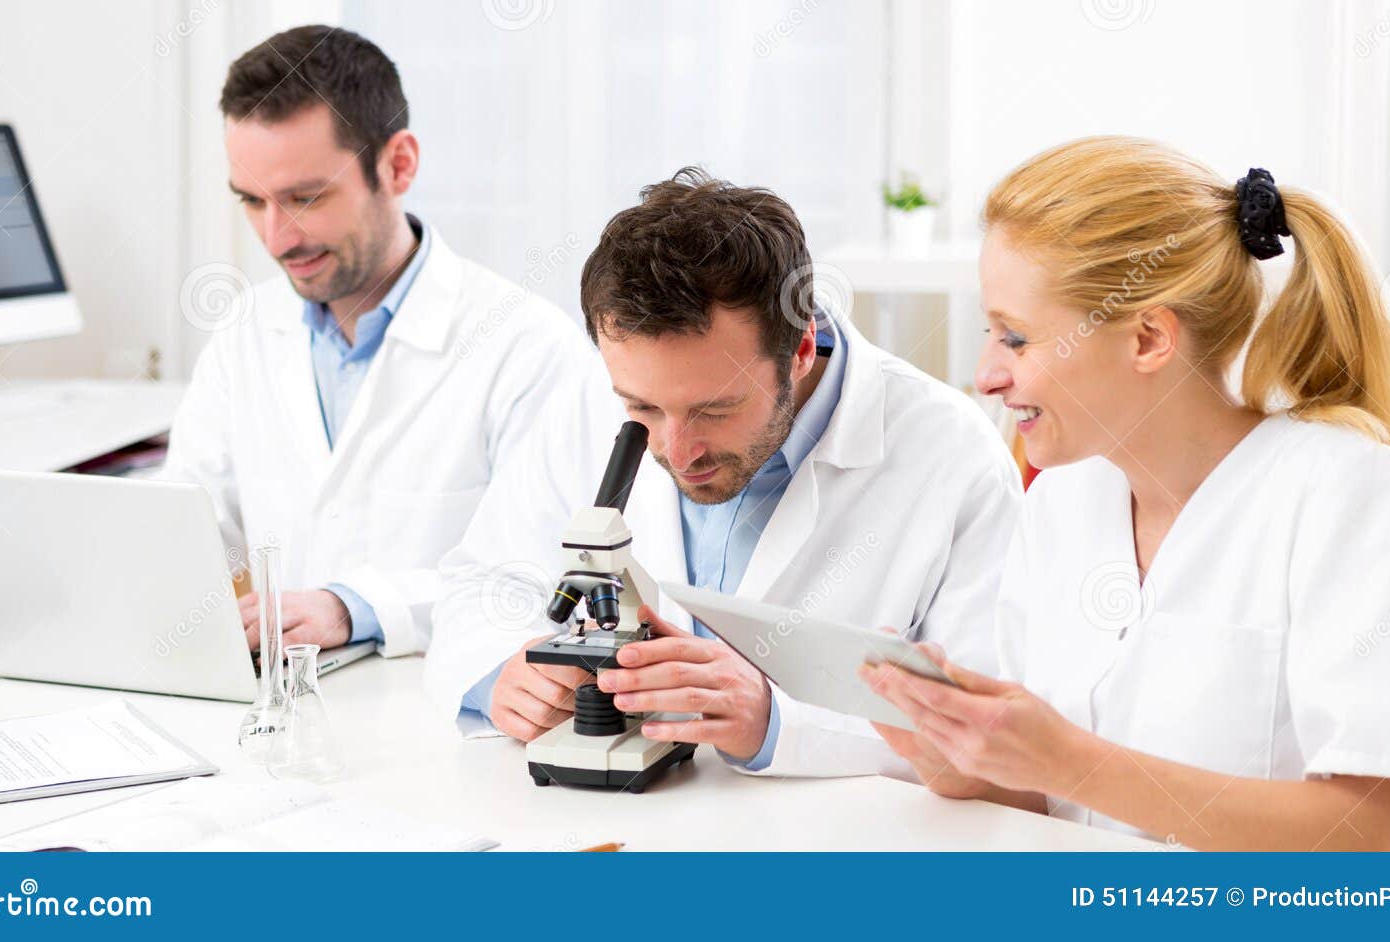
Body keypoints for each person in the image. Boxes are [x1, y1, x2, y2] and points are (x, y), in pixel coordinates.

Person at [861, 136, 1390, 849]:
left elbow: (1386, 830)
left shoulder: (1339, 488)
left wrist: (1069, 762)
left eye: (1016, 339)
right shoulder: (1061, 501)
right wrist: (966, 763)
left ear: (1148, 338)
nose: (985, 375)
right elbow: (1060, 805)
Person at [424, 169, 1021, 777]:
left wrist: (776, 724)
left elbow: (995, 729)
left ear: (801, 349)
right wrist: (503, 674)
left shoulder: (951, 453)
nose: (678, 453)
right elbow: (481, 579)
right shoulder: (587, 399)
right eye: (643, 409)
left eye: (715, 409)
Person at [160, 26, 589, 657]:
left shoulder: (527, 347)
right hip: (286, 710)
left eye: (306, 198)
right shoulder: (245, 333)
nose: (277, 238)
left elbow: (550, 579)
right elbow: (186, 532)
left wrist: (353, 607)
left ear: (398, 164)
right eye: (253, 201)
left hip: (444, 709)